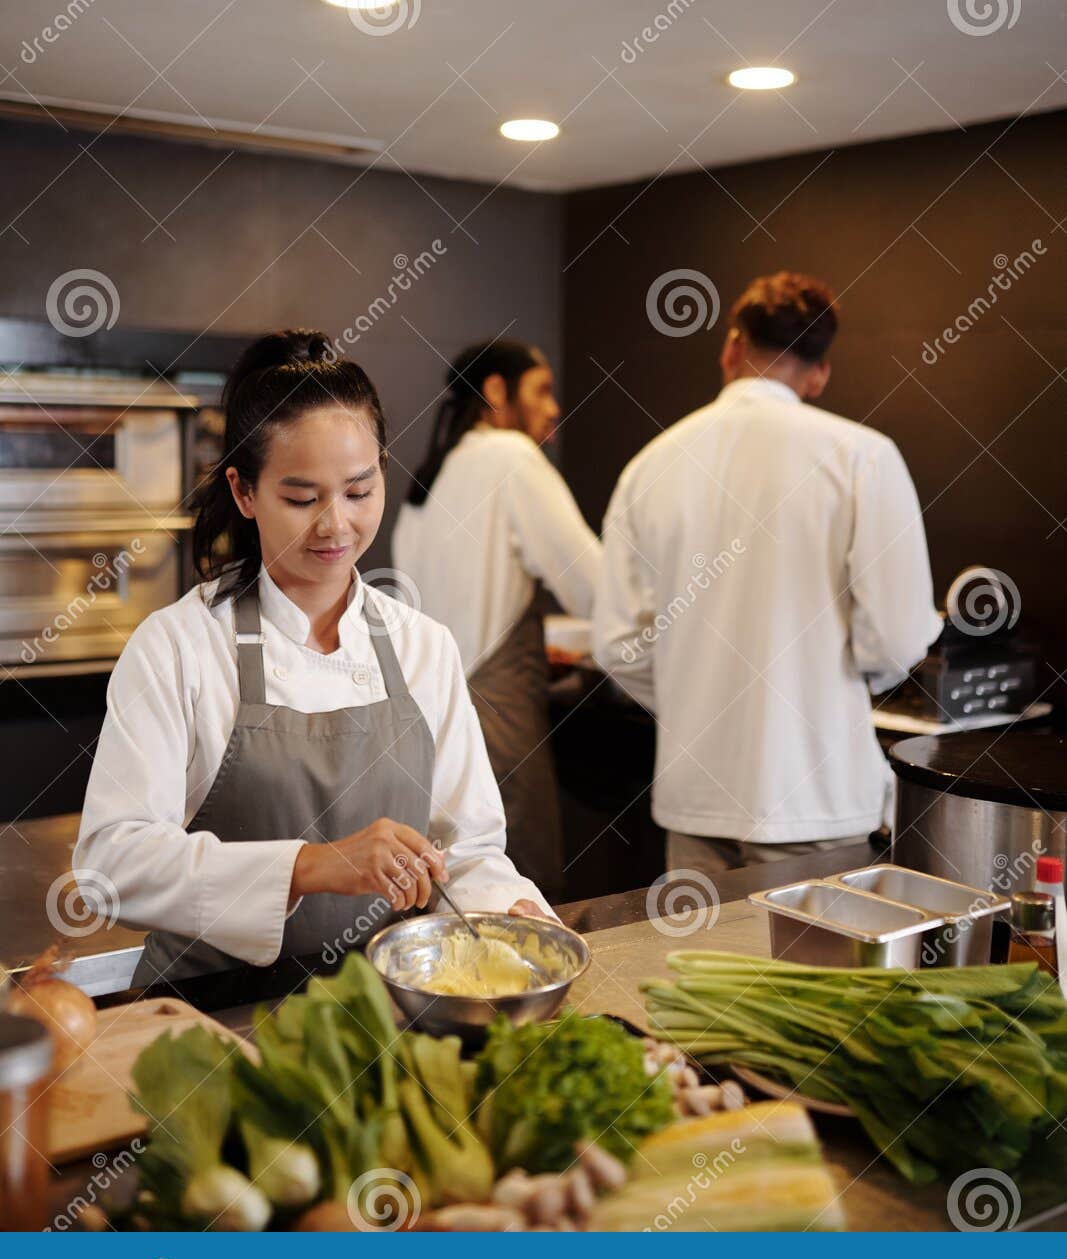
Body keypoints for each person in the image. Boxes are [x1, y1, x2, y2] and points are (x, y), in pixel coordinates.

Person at [75, 330, 549, 986]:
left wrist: (509, 909)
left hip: (381, 1010)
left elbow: (465, 851)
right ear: (244, 492)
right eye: (302, 499)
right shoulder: (178, 646)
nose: (335, 525)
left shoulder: (422, 646)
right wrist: (311, 866)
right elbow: (110, 865)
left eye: (358, 491)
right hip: (203, 1012)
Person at [593, 271, 941, 880]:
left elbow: (619, 644)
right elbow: (899, 637)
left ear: (732, 346)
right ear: (818, 374)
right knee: (812, 974)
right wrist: (841, 680)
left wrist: (695, 694)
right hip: (817, 798)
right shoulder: (864, 456)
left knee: (699, 974)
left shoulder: (650, 465)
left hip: (693, 799)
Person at [392, 339, 601, 901]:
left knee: (448, 890)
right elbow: (593, 586)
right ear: (495, 392)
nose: (554, 407)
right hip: (499, 721)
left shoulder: (428, 479)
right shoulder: (511, 456)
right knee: (522, 886)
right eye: (542, 390)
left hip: (426, 717)